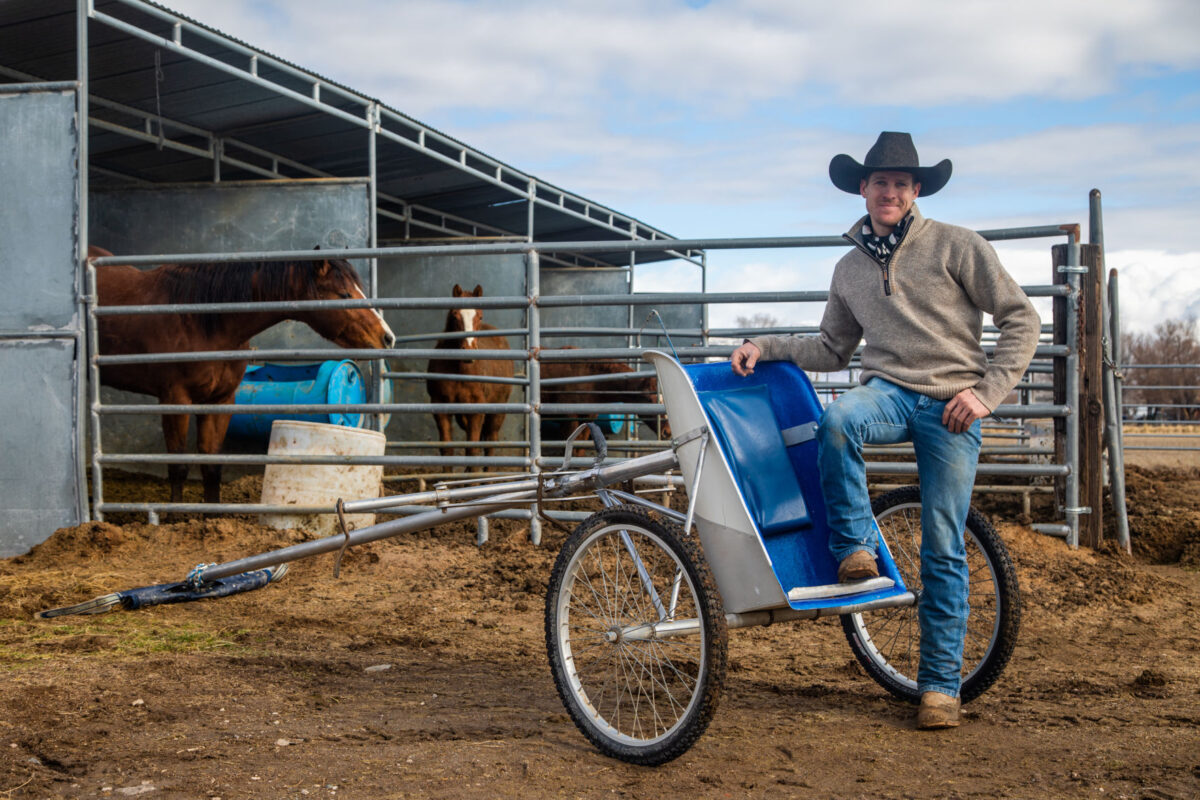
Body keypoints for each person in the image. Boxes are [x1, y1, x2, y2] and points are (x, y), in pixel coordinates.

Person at [730, 131, 1040, 730]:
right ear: (863, 190)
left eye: (901, 182)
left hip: (954, 401)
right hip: (889, 395)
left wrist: (987, 393)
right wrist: (763, 345)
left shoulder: (957, 246)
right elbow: (830, 348)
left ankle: (940, 689)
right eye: (880, 183)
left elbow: (1020, 318)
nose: (889, 192)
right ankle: (854, 552)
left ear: (916, 189)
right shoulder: (849, 268)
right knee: (839, 418)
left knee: (943, 543)